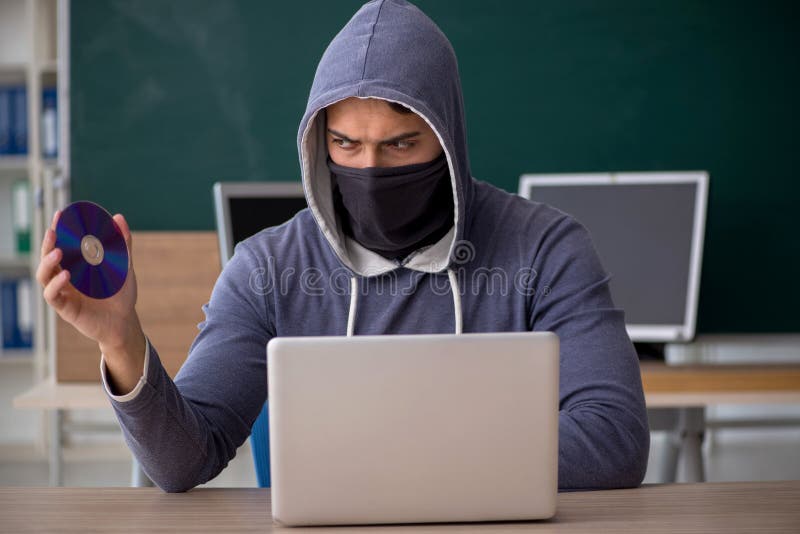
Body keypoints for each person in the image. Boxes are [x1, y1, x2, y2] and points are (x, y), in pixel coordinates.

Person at [36, 0, 648, 492]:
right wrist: (121, 339)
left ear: (448, 139)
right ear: (318, 143)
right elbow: (183, 461)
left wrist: (390, 457)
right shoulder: (267, 269)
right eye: (347, 145)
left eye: (402, 145)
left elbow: (615, 438)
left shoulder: (547, 250)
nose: (372, 169)